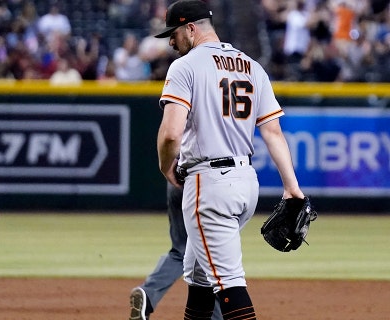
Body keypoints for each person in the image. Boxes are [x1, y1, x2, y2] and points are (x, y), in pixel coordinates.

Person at [153, 0, 305, 319]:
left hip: (209, 186)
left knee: (229, 284)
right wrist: (293, 188)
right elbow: (273, 132)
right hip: (245, 183)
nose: (170, 41)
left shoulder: (185, 67)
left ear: (191, 29)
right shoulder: (252, 66)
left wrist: (166, 165)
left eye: (174, 33)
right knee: (198, 279)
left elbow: (170, 134)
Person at [129, 184, 221, 320]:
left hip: (177, 181)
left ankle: (148, 294)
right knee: (211, 256)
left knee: (180, 252)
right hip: (209, 184)